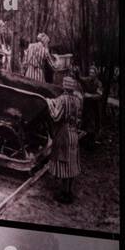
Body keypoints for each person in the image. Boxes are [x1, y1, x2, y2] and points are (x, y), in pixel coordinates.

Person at [44, 75, 83, 203]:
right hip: (74, 134)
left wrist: (49, 104)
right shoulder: (78, 100)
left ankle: (64, 193)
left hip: (64, 134)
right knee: (72, 162)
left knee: (63, 161)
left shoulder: (62, 99)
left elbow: (55, 116)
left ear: (64, 86)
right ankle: (70, 191)